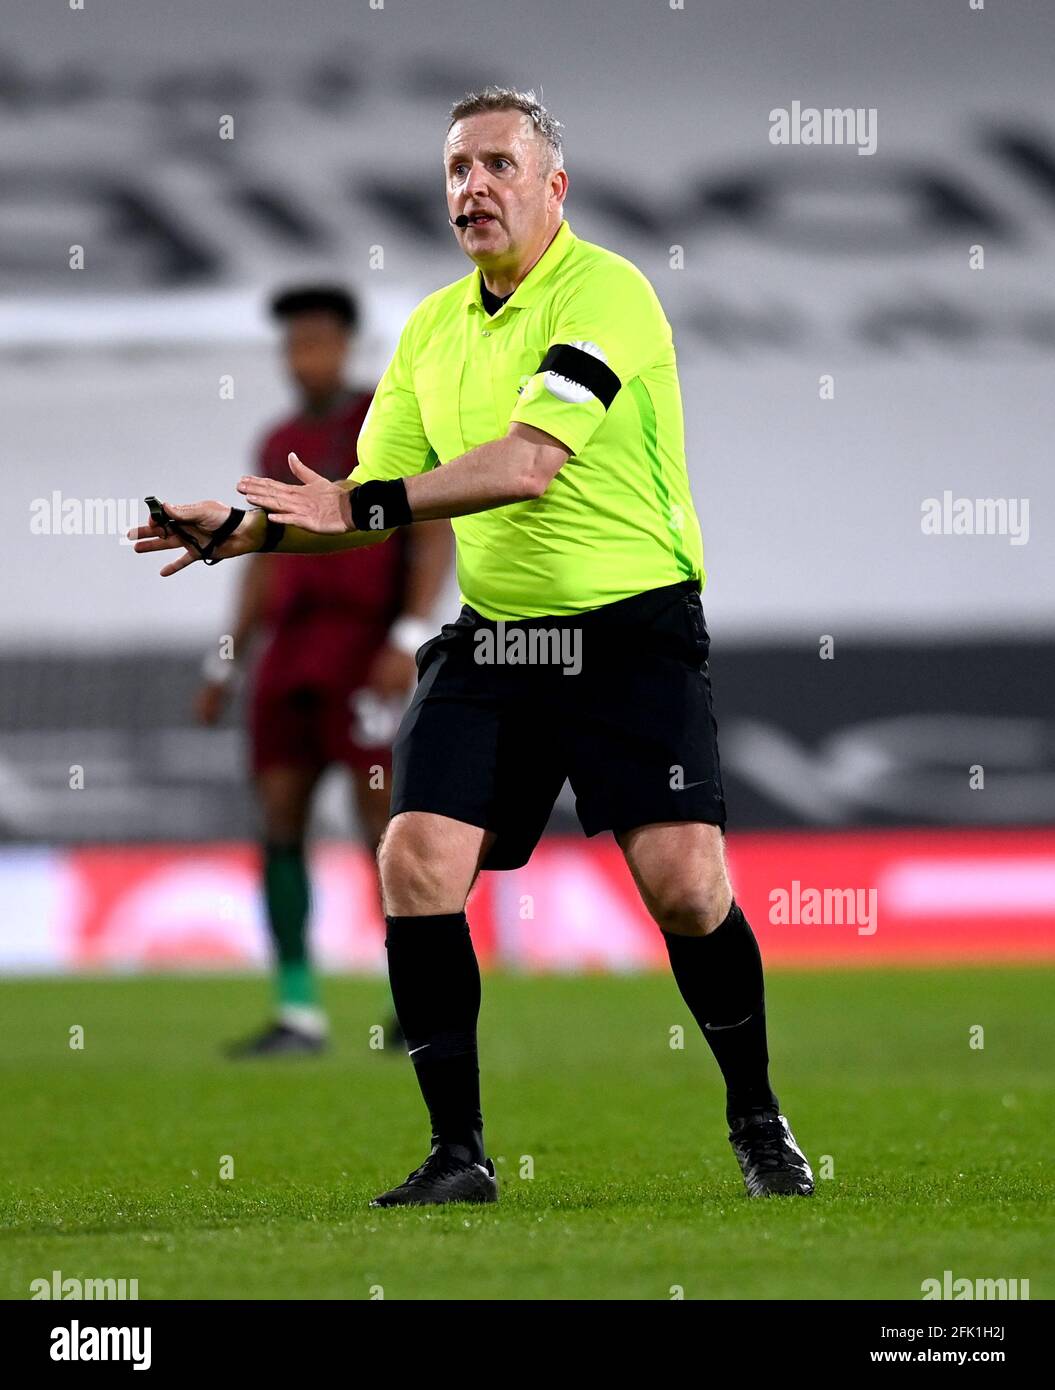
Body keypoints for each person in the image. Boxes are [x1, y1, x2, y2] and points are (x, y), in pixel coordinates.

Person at [131, 87, 814, 1202]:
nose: (472, 187)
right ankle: (459, 1154)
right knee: (415, 859)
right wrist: (233, 532)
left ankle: (755, 1114)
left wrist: (357, 510)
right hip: (497, 643)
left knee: (685, 888)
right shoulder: (433, 329)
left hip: (630, 632)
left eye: (497, 164)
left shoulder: (606, 293)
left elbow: (524, 462)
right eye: (456, 169)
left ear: (555, 187)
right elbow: (356, 500)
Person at [194, 284, 452, 1056]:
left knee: (384, 826)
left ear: (346, 345)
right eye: (292, 343)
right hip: (288, 655)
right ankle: (298, 1013)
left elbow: (429, 527)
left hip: (362, 651)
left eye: (317, 341)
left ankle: (410, 1001)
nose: (303, 356)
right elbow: (259, 555)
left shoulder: (384, 419)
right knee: (278, 818)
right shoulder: (276, 442)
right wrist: (227, 655)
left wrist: (406, 634)